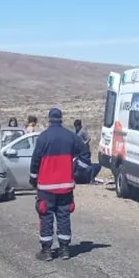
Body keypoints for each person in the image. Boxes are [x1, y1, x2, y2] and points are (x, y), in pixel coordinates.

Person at [29, 107, 90, 260]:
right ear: (61, 119)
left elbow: (35, 161)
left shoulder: (43, 137)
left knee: (46, 216)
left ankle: (47, 251)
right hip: (65, 187)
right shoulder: (71, 137)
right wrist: (76, 172)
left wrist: (33, 179)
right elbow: (85, 154)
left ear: (50, 119)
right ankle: (64, 250)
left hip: (46, 188)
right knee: (63, 216)